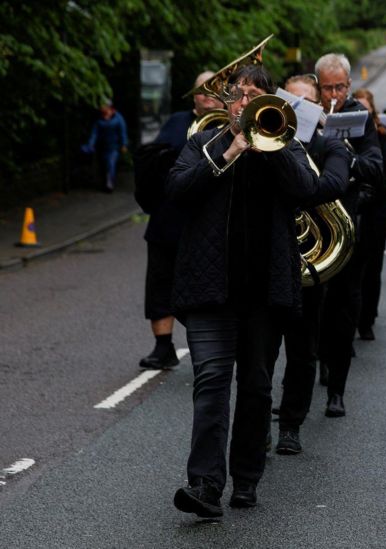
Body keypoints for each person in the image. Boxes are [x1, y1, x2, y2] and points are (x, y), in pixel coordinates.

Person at [166, 64, 320, 517]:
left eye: (255, 94)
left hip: (263, 295)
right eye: (240, 93)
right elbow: (176, 190)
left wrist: (268, 148)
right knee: (211, 384)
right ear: (228, 100)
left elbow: (307, 189)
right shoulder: (203, 143)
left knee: (255, 387)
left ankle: (247, 477)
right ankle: (205, 485)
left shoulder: (286, 144)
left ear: (269, 101)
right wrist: (231, 149)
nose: (245, 100)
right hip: (211, 291)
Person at [273, 74, 351, 455]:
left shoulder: (328, 146)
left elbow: (334, 185)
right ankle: (256, 431)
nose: (296, 108)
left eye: (306, 102)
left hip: (307, 268)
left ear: (319, 109)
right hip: (267, 263)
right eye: (290, 100)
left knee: (302, 353)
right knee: (259, 355)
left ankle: (291, 425)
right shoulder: (261, 142)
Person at [134, 71, 222, 370]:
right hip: (169, 219)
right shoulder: (175, 121)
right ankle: (163, 347)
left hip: (208, 222)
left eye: (213, 90)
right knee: (160, 283)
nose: (207, 95)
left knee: (207, 288)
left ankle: (211, 348)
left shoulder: (232, 126)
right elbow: (154, 160)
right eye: (200, 90)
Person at [315, 52, 385, 418]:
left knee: (343, 308)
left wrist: (346, 158)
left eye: (340, 86)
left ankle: (336, 391)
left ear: (349, 85)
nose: (334, 93)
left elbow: (376, 165)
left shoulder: (359, 116)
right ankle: (313, 367)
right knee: (308, 311)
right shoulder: (306, 113)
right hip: (310, 227)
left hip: (346, 227)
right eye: (327, 87)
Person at [352, 87, 386, 341]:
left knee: (372, 268)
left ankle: (367, 320)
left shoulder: (383, 134)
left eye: (365, 109)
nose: (360, 113)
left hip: (375, 209)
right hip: (352, 206)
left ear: (372, 111)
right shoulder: (345, 129)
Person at [82, 99, 128, 192]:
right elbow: (94, 134)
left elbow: (122, 132)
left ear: (109, 107)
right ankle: (105, 182)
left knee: (110, 164)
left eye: (103, 106)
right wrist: (90, 145)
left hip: (114, 147)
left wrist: (124, 144)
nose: (101, 108)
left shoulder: (118, 118)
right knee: (103, 166)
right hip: (102, 147)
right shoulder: (99, 119)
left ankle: (109, 184)